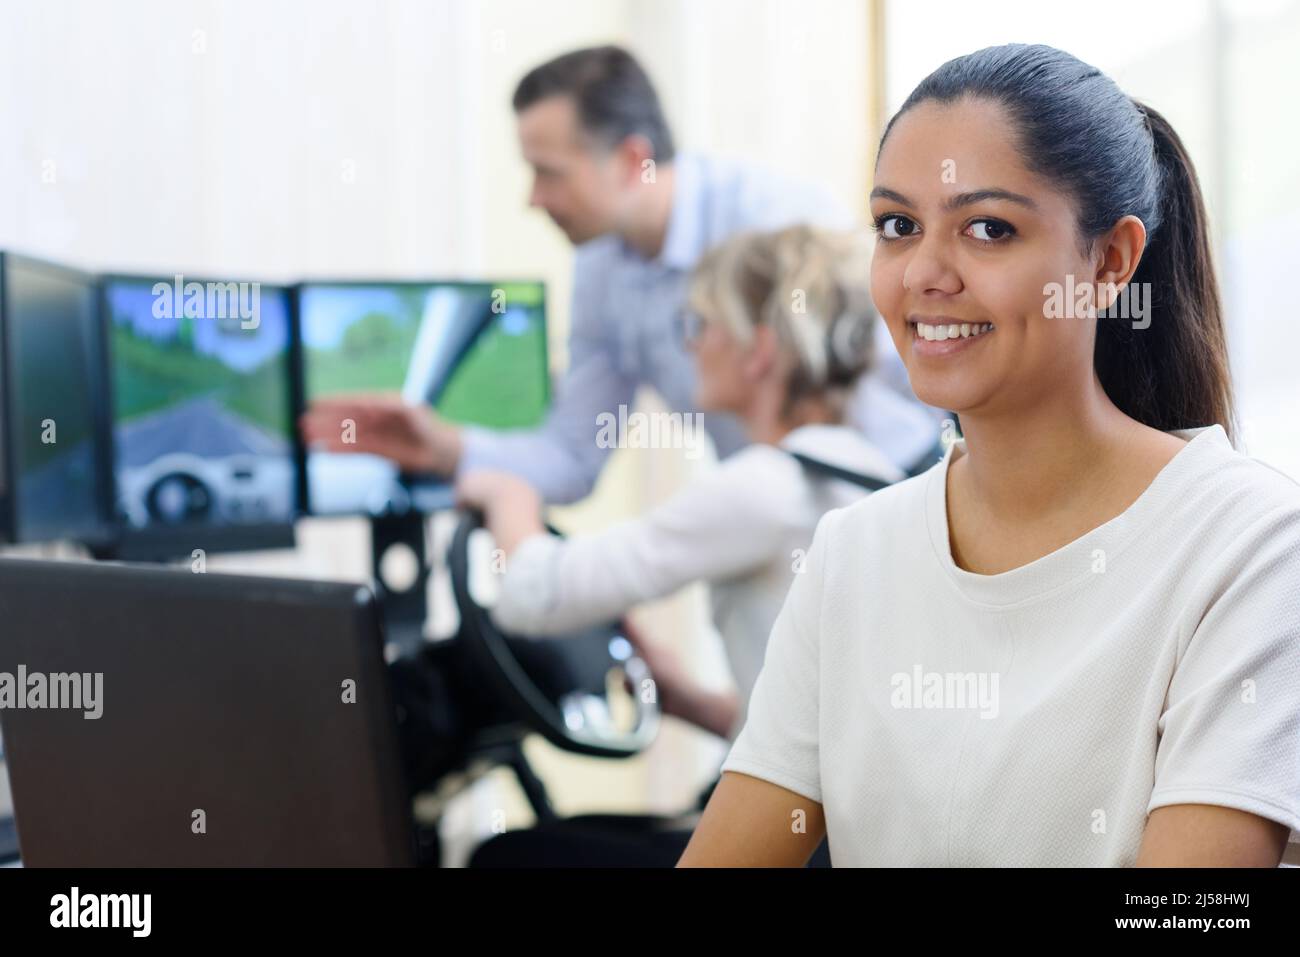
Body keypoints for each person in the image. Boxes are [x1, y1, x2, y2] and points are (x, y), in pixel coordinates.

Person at [680, 43, 1300, 868]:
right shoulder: (852, 554)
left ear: (1109, 262)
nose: (926, 274)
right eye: (897, 226)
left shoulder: (1249, 543)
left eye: (988, 229)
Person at [300, 46, 941, 505]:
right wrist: (445, 447)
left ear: (633, 160)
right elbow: (575, 459)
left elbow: (907, 386)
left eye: (549, 172)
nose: (534, 199)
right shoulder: (601, 272)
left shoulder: (777, 224)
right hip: (776, 520)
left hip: (897, 493)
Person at [458, 225, 900, 867]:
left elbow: (536, 596)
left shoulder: (763, 489)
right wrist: (688, 698)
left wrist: (508, 499)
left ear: (759, 351)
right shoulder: (865, 470)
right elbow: (814, 736)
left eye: (700, 324)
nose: (690, 346)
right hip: (839, 832)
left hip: (810, 849)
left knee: (504, 859)